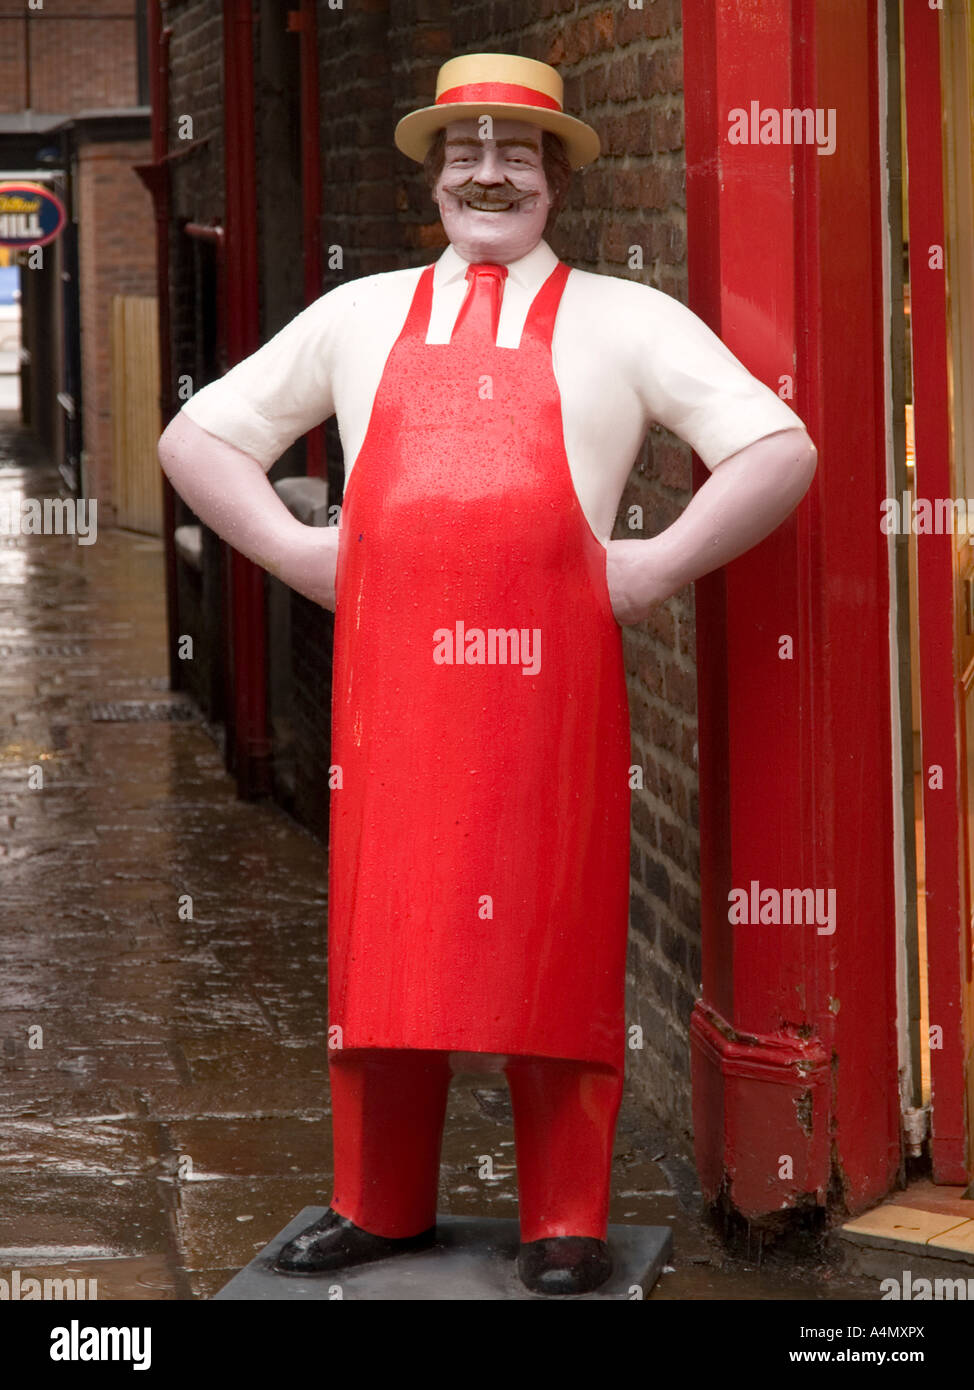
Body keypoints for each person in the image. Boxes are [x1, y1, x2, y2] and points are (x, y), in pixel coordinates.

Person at [158, 53, 816, 1296]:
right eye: (463, 149)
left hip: (548, 697)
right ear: (432, 175)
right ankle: (377, 1200)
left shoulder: (627, 320)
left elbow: (774, 444)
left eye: (517, 149)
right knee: (382, 939)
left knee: (551, 934)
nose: (488, 169)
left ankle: (565, 1218)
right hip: (389, 694)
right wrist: (305, 555)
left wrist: (647, 567)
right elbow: (199, 436)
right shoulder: (358, 316)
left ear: (556, 176)